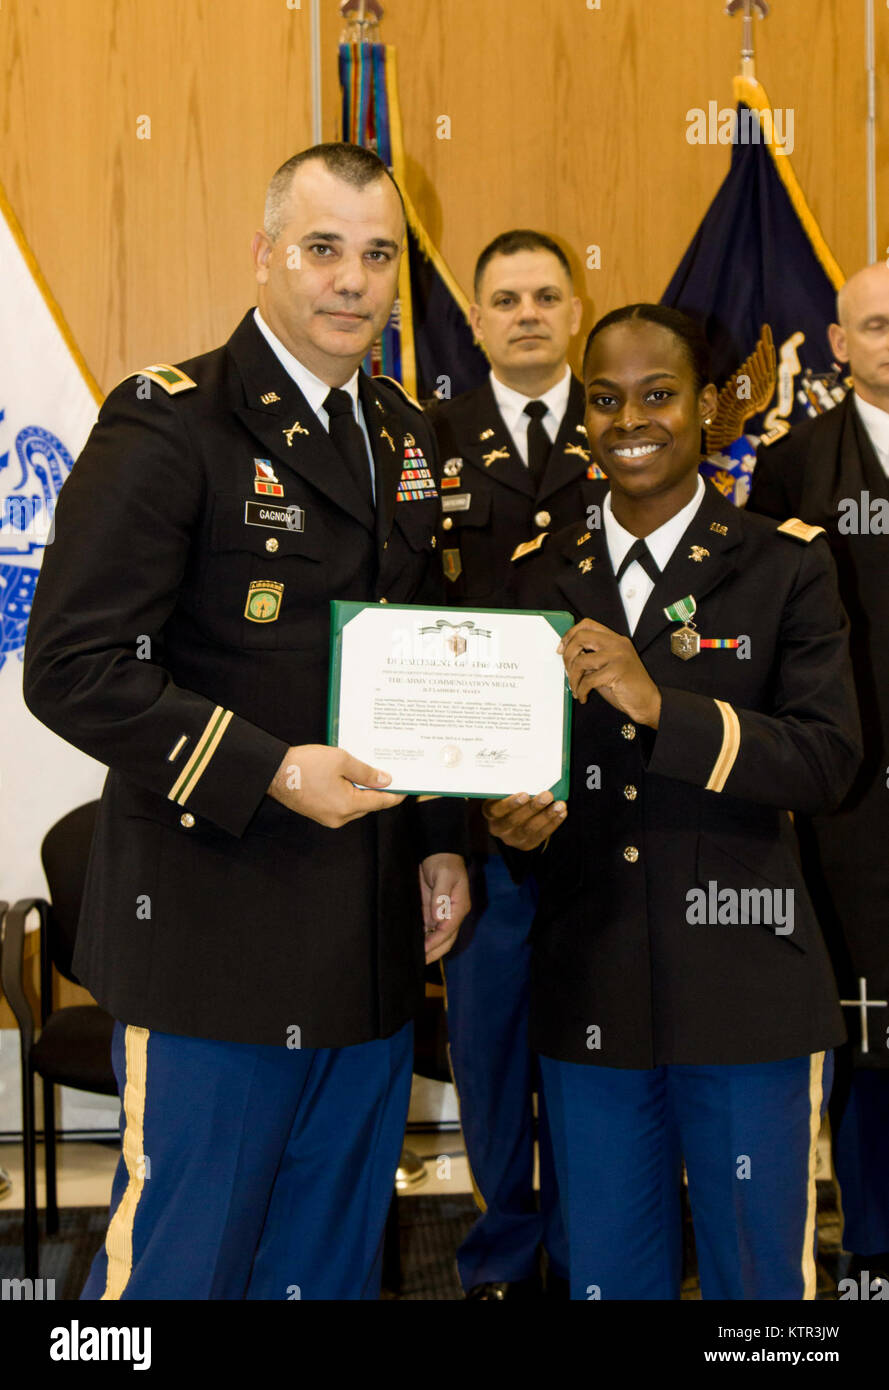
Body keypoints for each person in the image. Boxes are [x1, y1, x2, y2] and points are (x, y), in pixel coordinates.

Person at [23, 142, 470, 1301]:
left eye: (377, 256)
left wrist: (438, 844)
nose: (352, 282)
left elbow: (420, 659)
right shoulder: (171, 423)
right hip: (213, 928)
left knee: (324, 1266)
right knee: (181, 1266)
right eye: (323, 249)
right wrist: (271, 771)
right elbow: (70, 667)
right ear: (266, 254)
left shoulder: (408, 433)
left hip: (367, 935)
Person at [484, 303, 862, 1300]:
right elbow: (512, 766)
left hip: (746, 989)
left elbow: (828, 763)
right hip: (591, 985)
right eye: (603, 400)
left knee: (759, 1290)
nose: (628, 420)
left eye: (657, 395)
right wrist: (504, 828)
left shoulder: (785, 563)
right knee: (606, 1275)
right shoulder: (532, 579)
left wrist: (665, 711)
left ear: (704, 407)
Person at [427, 230, 603, 1298]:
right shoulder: (427, 439)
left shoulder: (629, 423)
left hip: (600, 799)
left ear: (576, 308)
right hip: (474, 805)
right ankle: (502, 1256)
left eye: (546, 294)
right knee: (489, 1050)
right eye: (506, 298)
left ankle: (599, 1251)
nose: (527, 312)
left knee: (596, 1049)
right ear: (479, 320)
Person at [748, 262, 889, 1288]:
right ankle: (872, 1245)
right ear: (838, 345)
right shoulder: (794, 466)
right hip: (853, 807)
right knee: (868, 1031)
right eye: (876, 326)